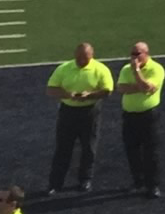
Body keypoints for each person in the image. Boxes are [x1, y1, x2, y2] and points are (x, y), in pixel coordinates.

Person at [45, 42, 114, 194]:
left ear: (91, 56)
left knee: (88, 148)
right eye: (79, 58)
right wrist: (68, 95)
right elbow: (51, 89)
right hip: (68, 112)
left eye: (85, 58)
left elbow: (107, 90)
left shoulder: (100, 69)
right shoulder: (64, 68)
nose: (82, 61)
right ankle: (55, 183)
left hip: (90, 112)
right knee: (63, 148)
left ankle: (85, 180)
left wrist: (90, 96)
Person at [116, 42, 165, 198]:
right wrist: (140, 86)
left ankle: (153, 185)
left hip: (148, 116)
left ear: (146, 53)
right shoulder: (126, 69)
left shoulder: (156, 69)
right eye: (132, 54)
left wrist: (137, 71)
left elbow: (149, 88)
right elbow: (121, 88)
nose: (134, 57)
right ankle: (138, 181)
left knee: (150, 151)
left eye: (137, 54)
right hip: (129, 116)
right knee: (132, 150)